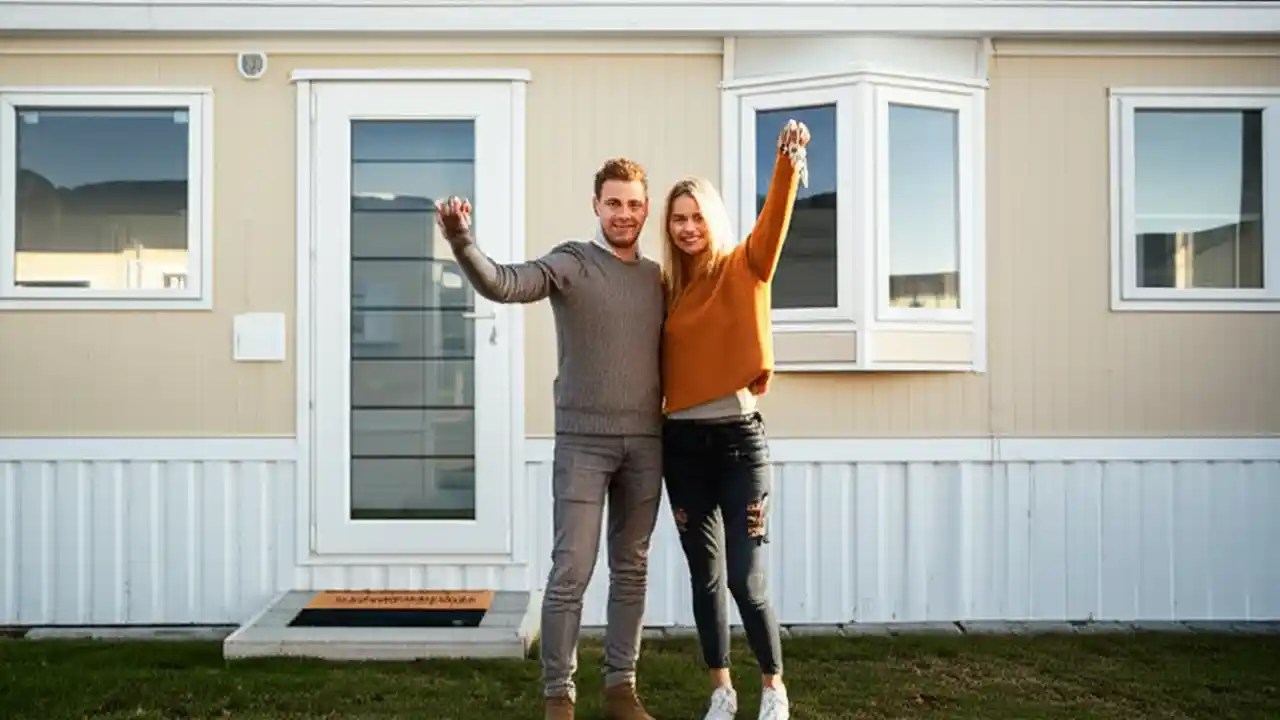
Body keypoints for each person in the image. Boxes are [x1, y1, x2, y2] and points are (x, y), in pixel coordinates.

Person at [435, 159, 665, 720]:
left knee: (631, 569)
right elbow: (504, 283)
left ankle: (621, 690)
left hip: (646, 444)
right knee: (571, 571)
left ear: (646, 208)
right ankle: (558, 696)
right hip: (584, 444)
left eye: (634, 204)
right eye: (614, 203)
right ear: (596, 205)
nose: (624, 214)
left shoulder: (657, 278)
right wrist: (463, 241)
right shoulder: (572, 262)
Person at [658, 118, 810, 720]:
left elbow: (774, 222)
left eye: (697, 216)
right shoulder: (669, 289)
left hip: (740, 445)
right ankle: (721, 689)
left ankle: (773, 686)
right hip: (681, 447)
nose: (688, 227)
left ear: (712, 219)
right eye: (678, 218)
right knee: (705, 578)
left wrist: (787, 162)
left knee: (746, 580)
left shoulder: (745, 265)